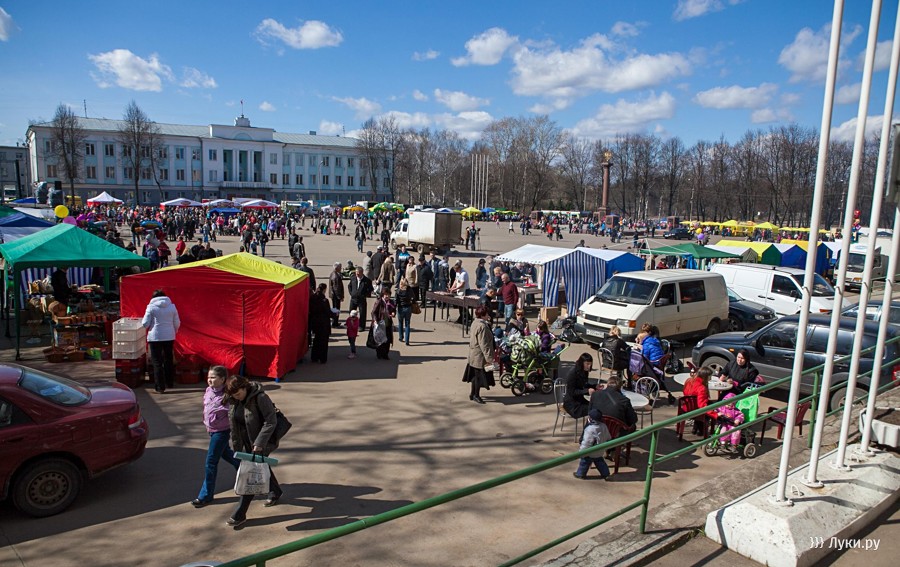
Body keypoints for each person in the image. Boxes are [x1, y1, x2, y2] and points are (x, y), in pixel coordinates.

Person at [224, 375, 284, 527]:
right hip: (244, 443)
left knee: (250, 477)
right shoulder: (233, 400)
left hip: (260, 443)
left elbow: (271, 421)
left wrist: (259, 442)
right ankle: (275, 491)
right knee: (261, 466)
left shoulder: (261, 397)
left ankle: (240, 514)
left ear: (245, 388)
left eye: (238, 394)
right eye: (234, 396)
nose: (237, 398)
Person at [192, 365, 241, 508]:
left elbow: (235, 415)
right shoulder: (208, 391)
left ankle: (205, 495)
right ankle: (246, 471)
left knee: (211, 462)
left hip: (221, 433)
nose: (209, 380)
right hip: (211, 430)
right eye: (208, 377)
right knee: (227, 454)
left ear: (222, 379)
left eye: (213, 378)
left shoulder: (228, 396)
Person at [142, 289, 181, 394]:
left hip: (155, 337)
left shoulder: (151, 307)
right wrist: (174, 331)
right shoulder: (172, 307)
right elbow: (177, 322)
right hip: (169, 336)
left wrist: (149, 326)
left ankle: (160, 387)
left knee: (157, 362)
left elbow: (145, 323)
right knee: (168, 359)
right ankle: (170, 382)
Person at [462, 305, 495, 404]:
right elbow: (484, 344)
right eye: (487, 314)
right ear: (483, 315)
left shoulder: (475, 322)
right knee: (479, 377)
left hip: (473, 354)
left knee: (474, 376)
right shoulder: (482, 326)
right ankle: (476, 395)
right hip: (480, 356)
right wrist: (489, 358)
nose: (488, 315)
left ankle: (472, 394)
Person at [573, 408, 611, 480]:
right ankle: (606, 474)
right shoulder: (604, 426)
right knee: (600, 462)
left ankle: (580, 474)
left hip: (589, 452)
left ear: (591, 419)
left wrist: (582, 451)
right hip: (600, 450)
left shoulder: (589, 429)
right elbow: (608, 437)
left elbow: (587, 442)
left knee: (584, 463)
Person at [682, 366, 718, 435]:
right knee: (710, 406)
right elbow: (702, 406)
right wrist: (715, 414)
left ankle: (696, 428)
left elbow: (684, 391)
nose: (710, 379)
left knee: (707, 403)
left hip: (686, 406)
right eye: (709, 377)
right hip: (695, 409)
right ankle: (702, 429)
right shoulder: (702, 388)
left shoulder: (688, 380)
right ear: (705, 377)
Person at [563, 352, 595, 419]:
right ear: (582, 363)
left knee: (597, 405)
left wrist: (594, 386)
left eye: (590, 364)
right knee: (595, 410)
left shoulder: (584, 371)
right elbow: (572, 392)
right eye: (587, 364)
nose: (589, 366)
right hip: (572, 404)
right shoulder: (573, 373)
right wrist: (587, 391)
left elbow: (584, 385)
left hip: (580, 400)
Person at [309, 283, 332, 363]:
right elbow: (328, 312)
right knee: (323, 342)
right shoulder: (324, 300)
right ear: (324, 290)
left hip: (315, 322)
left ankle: (314, 357)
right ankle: (322, 358)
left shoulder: (312, 298)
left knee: (316, 340)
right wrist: (335, 314)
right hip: (323, 323)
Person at [370, 287, 396, 360]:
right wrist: (375, 320)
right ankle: (379, 353)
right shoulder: (379, 302)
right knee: (380, 340)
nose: (387, 296)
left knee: (387, 340)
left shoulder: (391, 302)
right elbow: (373, 312)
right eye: (385, 294)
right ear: (382, 295)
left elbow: (393, 309)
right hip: (380, 324)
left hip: (387, 324)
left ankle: (385, 354)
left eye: (388, 295)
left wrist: (393, 313)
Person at [395, 277, 414, 346]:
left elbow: (395, 301)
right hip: (408, 308)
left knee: (400, 323)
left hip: (400, 308)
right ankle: (407, 340)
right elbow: (413, 297)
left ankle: (400, 337)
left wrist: (393, 309)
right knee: (407, 324)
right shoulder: (409, 290)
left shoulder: (398, 291)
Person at [329, 262, 345, 328]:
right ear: (336, 268)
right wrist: (340, 297)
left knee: (335, 309)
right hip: (336, 296)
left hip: (333, 295)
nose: (341, 268)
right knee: (336, 309)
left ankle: (335, 322)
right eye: (340, 267)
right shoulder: (336, 277)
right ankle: (335, 323)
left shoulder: (332, 274)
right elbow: (336, 288)